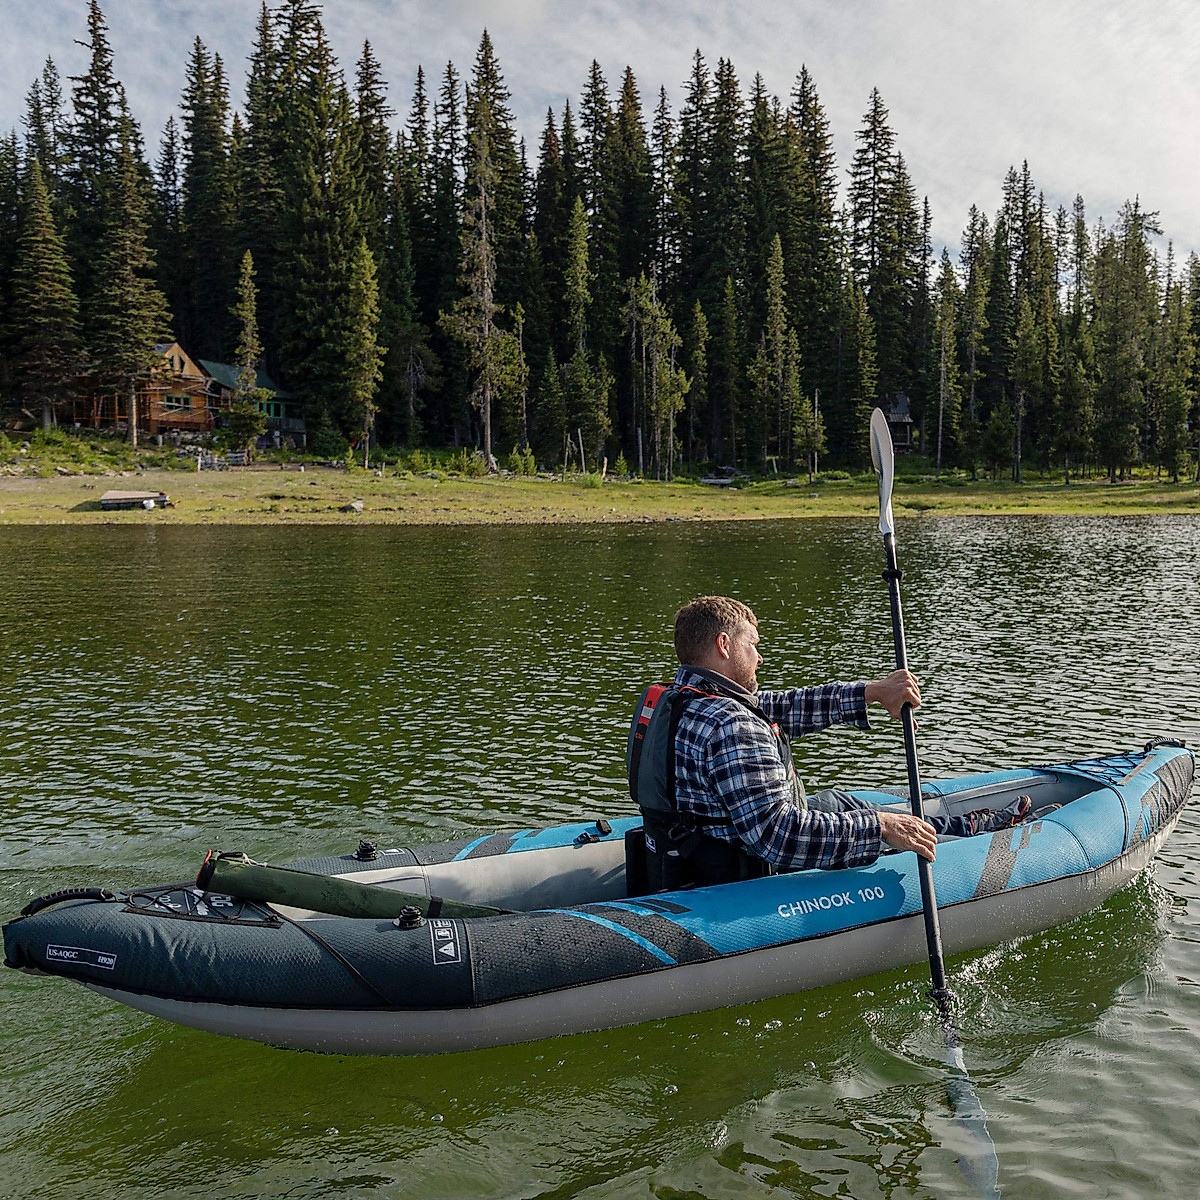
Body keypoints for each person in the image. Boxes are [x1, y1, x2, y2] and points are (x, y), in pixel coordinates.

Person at [626, 595, 1031, 892]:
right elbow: (779, 836)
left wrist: (872, 691)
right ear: (724, 646)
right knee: (873, 823)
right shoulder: (730, 725)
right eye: (753, 643)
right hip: (744, 872)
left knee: (841, 802)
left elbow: (779, 708)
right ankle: (971, 835)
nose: (760, 657)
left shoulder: (677, 701)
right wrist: (881, 827)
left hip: (687, 853)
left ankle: (954, 825)